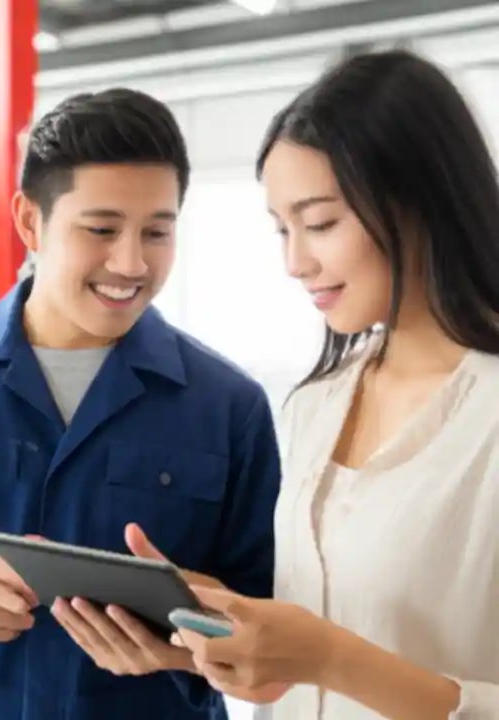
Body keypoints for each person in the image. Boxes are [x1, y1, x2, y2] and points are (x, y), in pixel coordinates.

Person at [0, 89, 282, 719]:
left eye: (157, 231)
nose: (131, 262)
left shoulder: (229, 407)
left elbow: (265, 621)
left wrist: (177, 644)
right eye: (101, 230)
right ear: (30, 221)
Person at [169, 50, 499, 719]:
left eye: (320, 223)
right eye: (282, 228)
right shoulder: (315, 402)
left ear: (418, 202)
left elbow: (328, 651)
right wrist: (196, 631)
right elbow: (303, 632)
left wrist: (331, 658)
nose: (295, 261)